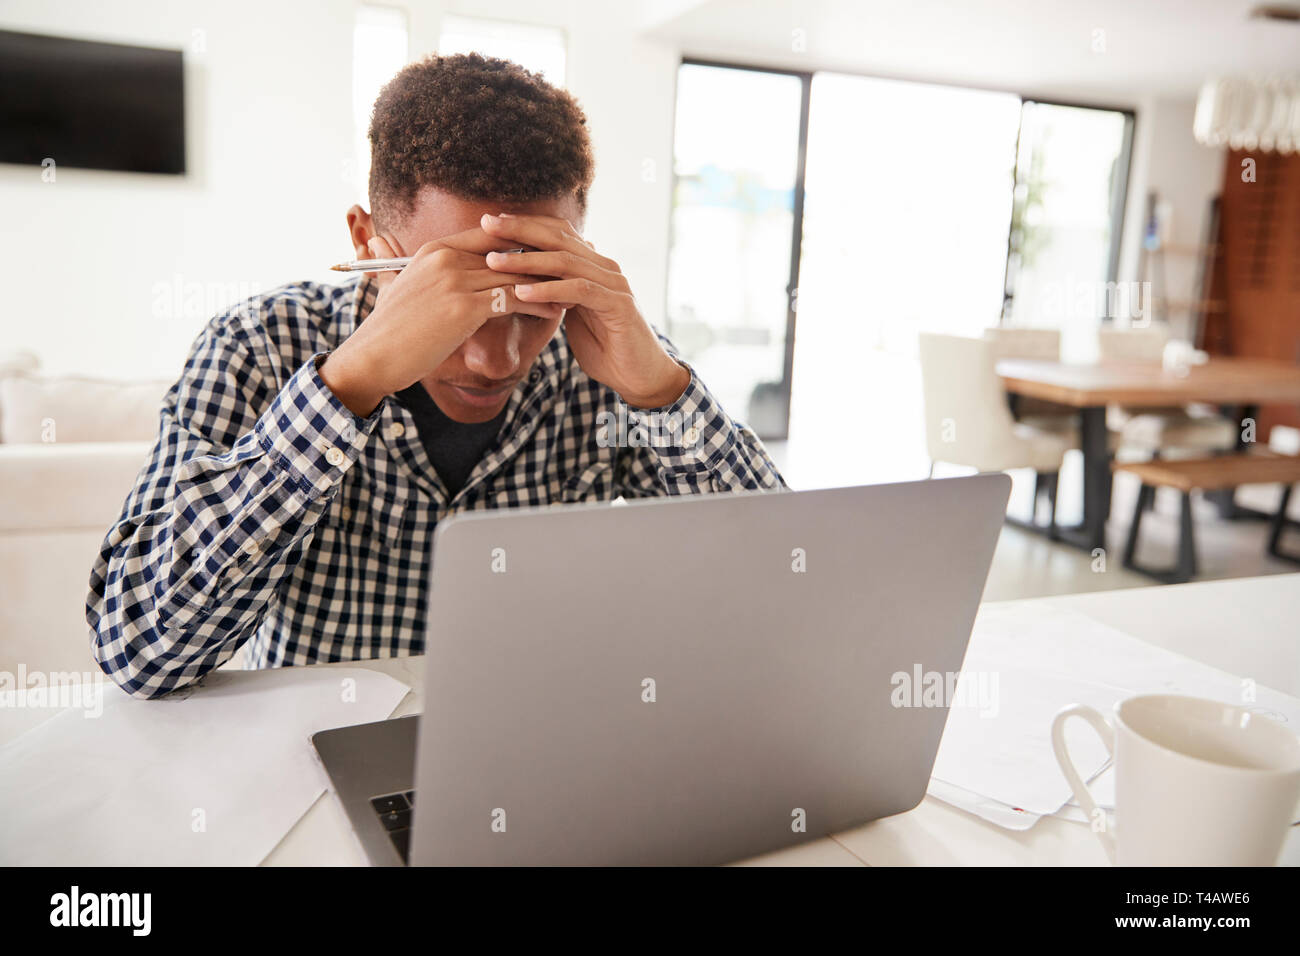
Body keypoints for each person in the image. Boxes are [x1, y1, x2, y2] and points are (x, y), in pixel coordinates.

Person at [87, 53, 784, 699]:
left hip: (541, 745)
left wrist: (662, 393)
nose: (498, 360)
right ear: (367, 243)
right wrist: (348, 384)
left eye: (534, 304)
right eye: (458, 299)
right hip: (315, 767)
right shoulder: (260, 346)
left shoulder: (607, 352)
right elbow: (139, 652)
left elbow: (782, 596)